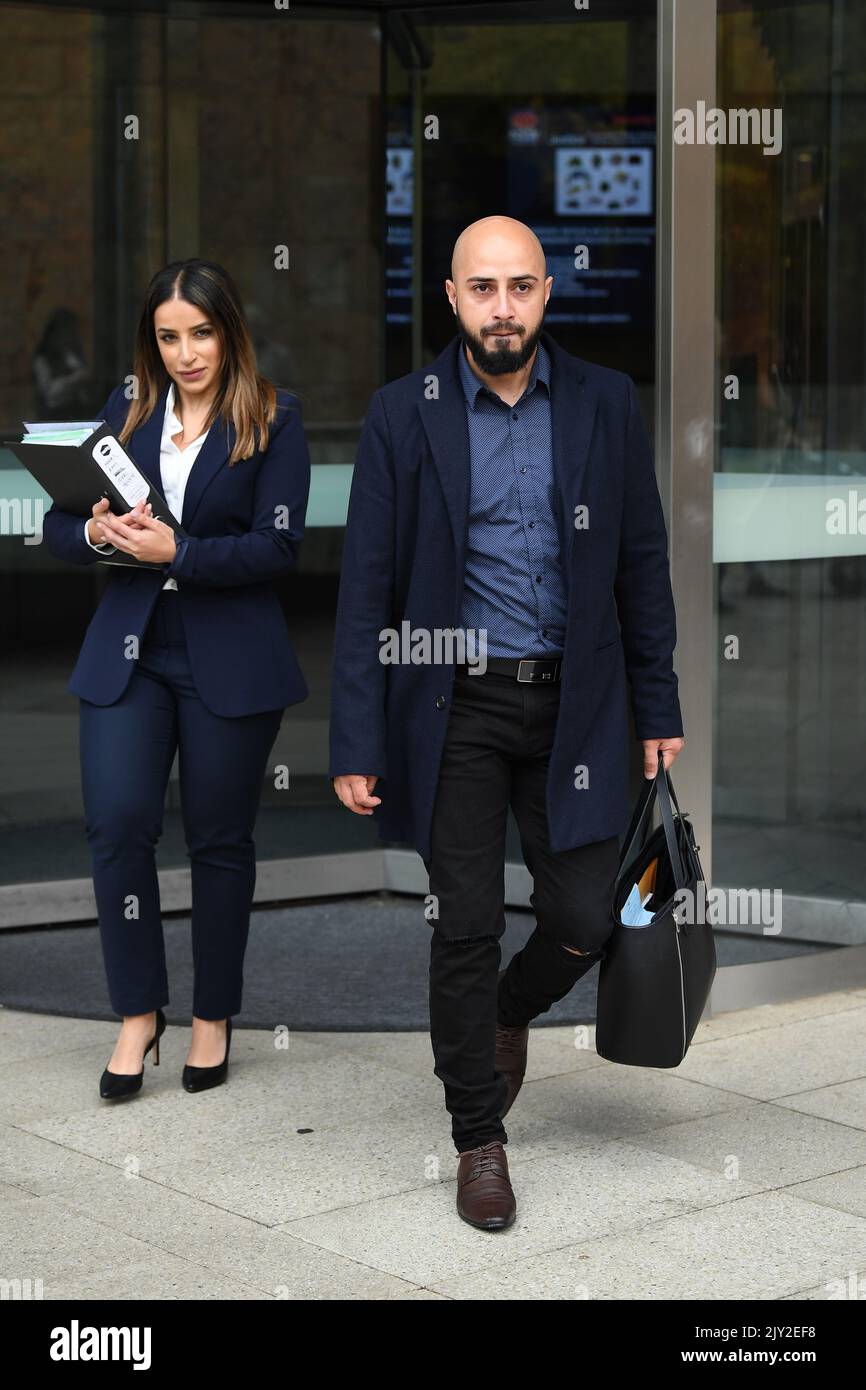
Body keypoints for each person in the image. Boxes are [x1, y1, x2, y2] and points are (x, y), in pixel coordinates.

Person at [330, 216, 684, 1230]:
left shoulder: (605, 403)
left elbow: (640, 567)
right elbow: (365, 590)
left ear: (544, 294)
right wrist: (355, 739)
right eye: (481, 288)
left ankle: (507, 1011)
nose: (501, 307)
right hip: (456, 707)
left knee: (585, 916)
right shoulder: (404, 414)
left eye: (519, 286)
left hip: (577, 706)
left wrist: (655, 704)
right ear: (449, 297)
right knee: (465, 921)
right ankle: (477, 1138)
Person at [42, 258, 310, 1100]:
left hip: (227, 655)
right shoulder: (124, 412)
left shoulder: (275, 417)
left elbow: (280, 548)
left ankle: (211, 1017)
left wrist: (180, 553)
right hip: (131, 648)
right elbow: (57, 526)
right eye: (168, 337)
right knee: (118, 825)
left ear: (228, 331)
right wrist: (95, 533)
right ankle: (137, 1014)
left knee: (219, 843)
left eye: (200, 333)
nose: (186, 353)